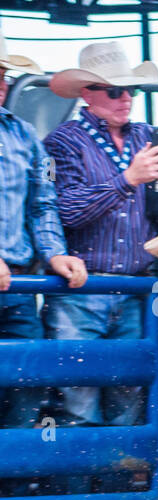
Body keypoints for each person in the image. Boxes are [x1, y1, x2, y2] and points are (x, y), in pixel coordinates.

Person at [42, 41, 158, 425]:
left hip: (135, 290)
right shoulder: (63, 141)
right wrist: (128, 180)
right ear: (88, 93)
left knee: (128, 403)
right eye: (114, 91)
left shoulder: (148, 136)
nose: (125, 98)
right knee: (78, 403)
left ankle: (114, 481)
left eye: (130, 90)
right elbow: (67, 210)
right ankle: (87, 484)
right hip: (82, 291)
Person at [0, 32, 88, 430]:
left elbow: (43, 202)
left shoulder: (25, 137)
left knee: (29, 381)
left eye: (2, 74)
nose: (0, 84)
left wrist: (54, 252)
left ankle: (12, 483)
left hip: (15, 289)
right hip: (12, 283)